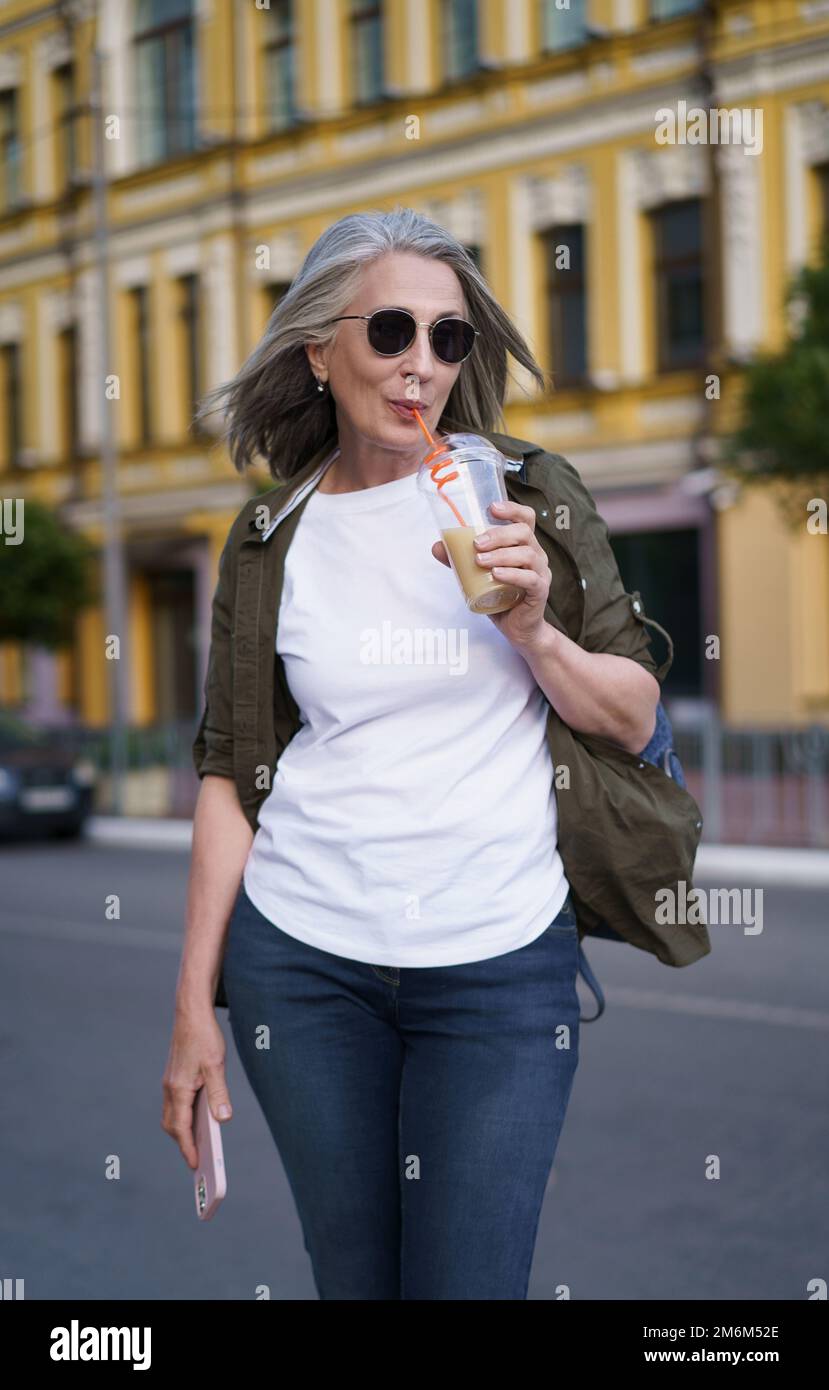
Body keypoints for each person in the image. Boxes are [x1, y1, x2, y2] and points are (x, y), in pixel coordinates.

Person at [161, 207, 661, 1300]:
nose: (420, 365)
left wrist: (531, 629)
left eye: (449, 338)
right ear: (318, 349)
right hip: (300, 965)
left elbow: (630, 714)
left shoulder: (525, 493)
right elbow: (229, 775)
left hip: (497, 964)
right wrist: (194, 1006)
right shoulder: (269, 537)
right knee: (357, 1281)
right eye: (390, 331)